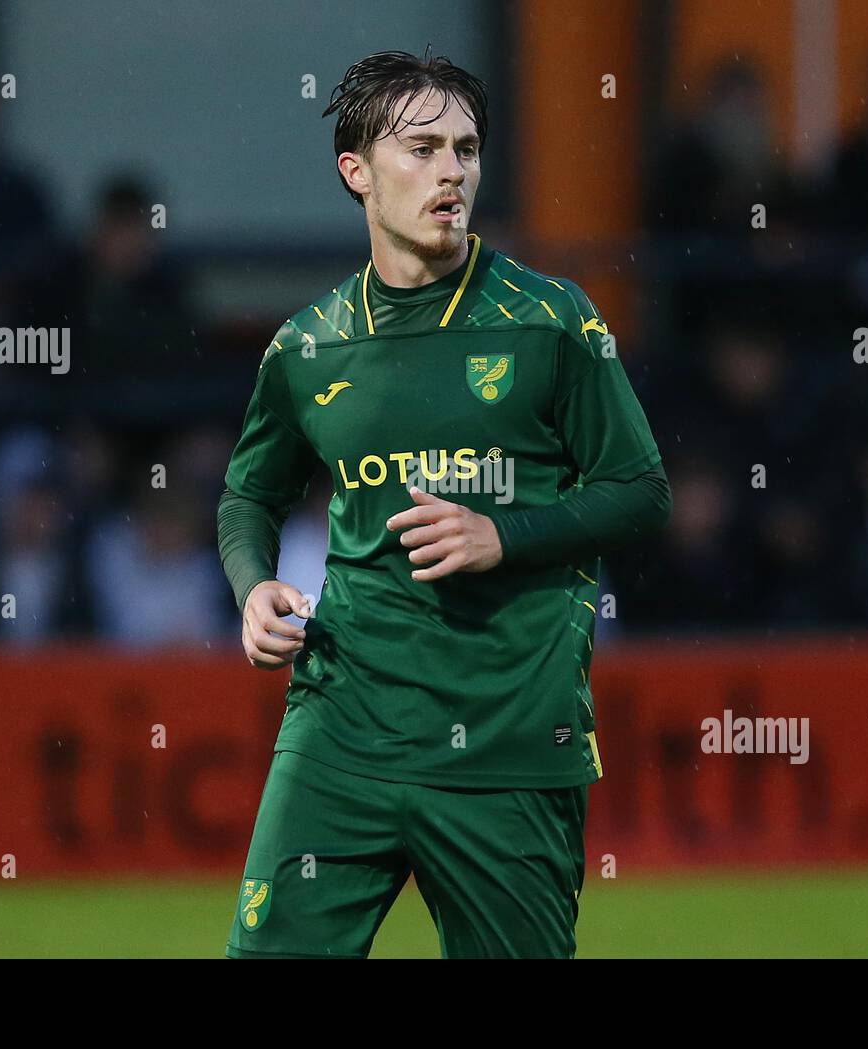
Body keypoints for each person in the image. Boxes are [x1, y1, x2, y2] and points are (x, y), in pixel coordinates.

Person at [217, 47, 670, 959]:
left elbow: (640, 491)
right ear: (357, 172)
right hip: (342, 729)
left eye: (465, 148)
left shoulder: (551, 319)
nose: (451, 171)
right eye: (421, 149)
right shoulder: (308, 347)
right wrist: (252, 589)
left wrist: (505, 534)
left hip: (507, 742)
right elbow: (248, 493)